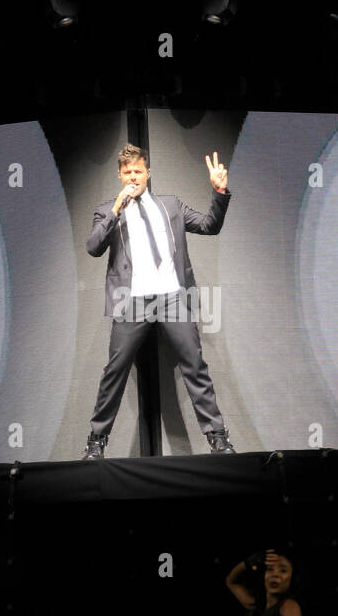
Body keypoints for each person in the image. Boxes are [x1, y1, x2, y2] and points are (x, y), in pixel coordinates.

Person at [83, 143, 235, 457]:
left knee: (195, 366)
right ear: (120, 175)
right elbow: (93, 247)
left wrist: (219, 192)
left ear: (148, 173)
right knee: (115, 371)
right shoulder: (108, 210)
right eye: (127, 172)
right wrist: (116, 209)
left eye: (138, 171)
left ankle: (218, 439)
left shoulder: (171, 206)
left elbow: (209, 225)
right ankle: (96, 443)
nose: (133, 177)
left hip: (172, 297)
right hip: (131, 301)